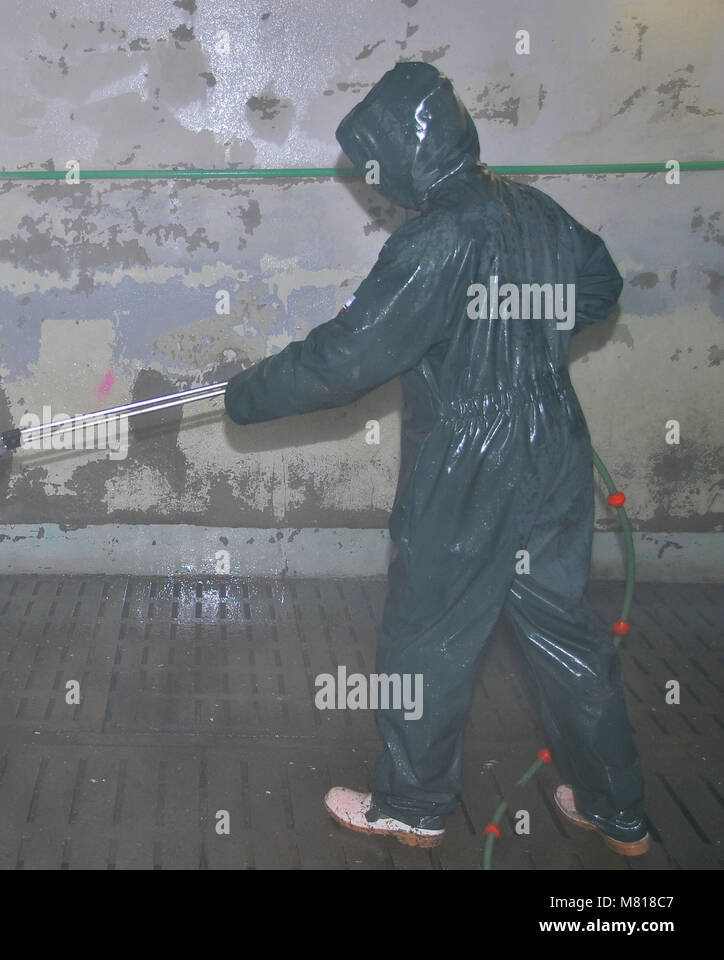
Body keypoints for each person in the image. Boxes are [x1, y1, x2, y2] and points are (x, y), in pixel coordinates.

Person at [223, 61, 647, 855]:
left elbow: (344, 362)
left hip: (469, 460)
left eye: (376, 164)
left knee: (430, 634)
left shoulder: (435, 237)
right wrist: (521, 335)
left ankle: (412, 805)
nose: (375, 183)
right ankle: (615, 808)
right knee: (564, 634)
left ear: (404, 154)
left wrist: (247, 394)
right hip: (555, 445)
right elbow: (600, 286)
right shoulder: (533, 209)